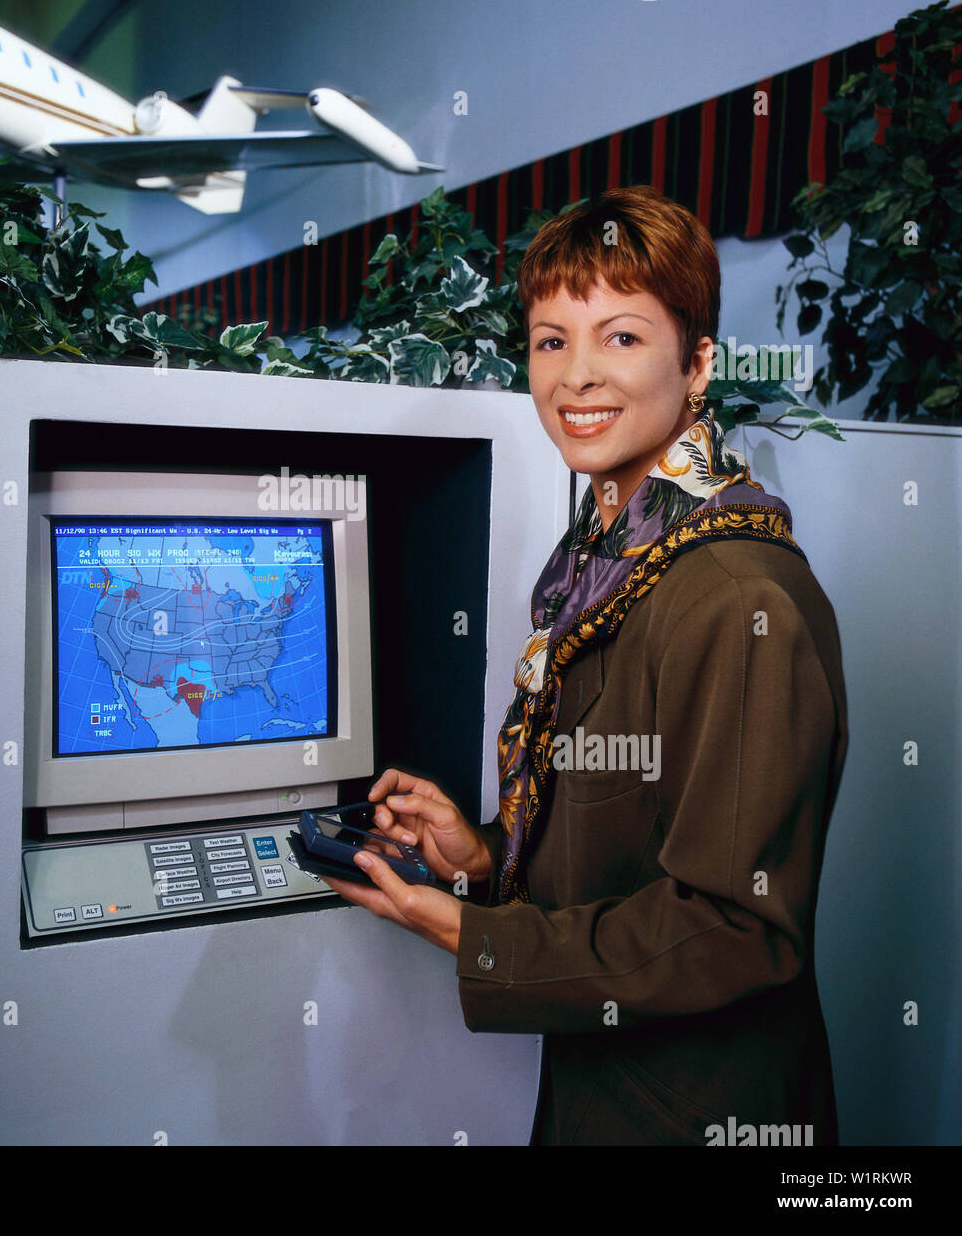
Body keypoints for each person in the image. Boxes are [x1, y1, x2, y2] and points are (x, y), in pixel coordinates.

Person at [319, 185, 849, 1146]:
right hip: (604, 1093)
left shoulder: (737, 598)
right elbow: (629, 846)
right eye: (551, 340)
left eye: (621, 338)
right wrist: (481, 856)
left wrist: (466, 934)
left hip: (702, 1112)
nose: (576, 377)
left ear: (698, 365)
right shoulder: (603, 563)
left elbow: (742, 928)